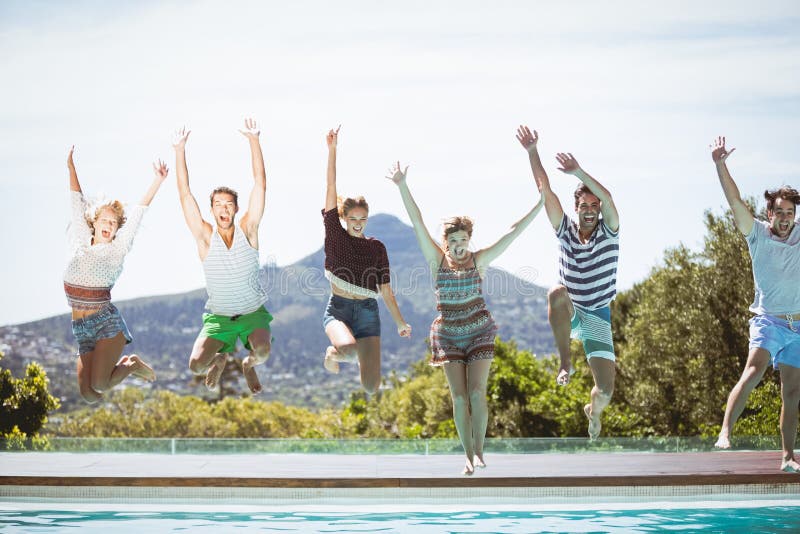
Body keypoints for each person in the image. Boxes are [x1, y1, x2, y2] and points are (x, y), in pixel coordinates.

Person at [387, 150, 544, 475]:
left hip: (478, 330)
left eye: (463, 240)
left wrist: (540, 205)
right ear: (446, 243)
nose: (458, 246)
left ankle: (481, 451)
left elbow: (512, 233)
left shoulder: (480, 260)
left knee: (476, 393)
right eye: (453, 241)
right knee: (459, 399)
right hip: (448, 334)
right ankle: (468, 456)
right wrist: (402, 186)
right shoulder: (437, 261)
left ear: (470, 240)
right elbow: (417, 222)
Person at [516, 125, 620, 441]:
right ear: (576, 210)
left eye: (593, 206)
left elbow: (609, 196)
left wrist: (579, 173)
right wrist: (533, 151)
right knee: (557, 292)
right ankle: (566, 363)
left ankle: (593, 411)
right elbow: (545, 191)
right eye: (583, 206)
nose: (589, 211)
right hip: (572, 309)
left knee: (605, 390)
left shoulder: (609, 231)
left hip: (597, 317)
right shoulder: (566, 232)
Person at [710, 136, 800, 471]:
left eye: (790, 212)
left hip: (798, 326)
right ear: (770, 212)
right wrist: (721, 164)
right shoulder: (757, 233)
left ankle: (788, 456)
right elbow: (734, 200)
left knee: (792, 394)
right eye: (780, 212)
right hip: (768, 322)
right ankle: (725, 432)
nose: (785, 218)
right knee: (754, 370)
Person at [173, 118, 273, 395]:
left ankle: (248, 364)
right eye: (218, 205)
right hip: (218, 318)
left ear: (237, 209)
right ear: (212, 210)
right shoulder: (205, 237)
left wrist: (254, 140)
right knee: (195, 365)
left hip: (252, 314)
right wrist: (179, 150)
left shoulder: (249, 230)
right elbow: (184, 195)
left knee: (263, 351)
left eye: (229, 205)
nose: (224, 209)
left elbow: (260, 184)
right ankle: (220, 357)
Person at [64, 145, 164, 403]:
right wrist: (71, 167)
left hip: (105, 324)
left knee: (100, 384)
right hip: (81, 329)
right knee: (89, 395)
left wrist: (157, 180)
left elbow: (139, 213)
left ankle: (131, 365)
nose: (108, 225)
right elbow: (76, 201)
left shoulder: (118, 249)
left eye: (113, 222)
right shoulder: (82, 241)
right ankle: (121, 366)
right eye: (104, 220)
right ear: (94, 222)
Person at [322, 126, 411, 394]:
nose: (358, 224)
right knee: (348, 351)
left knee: (371, 386)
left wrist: (400, 322)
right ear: (344, 218)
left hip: (368, 313)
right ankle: (333, 354)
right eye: (353, 219)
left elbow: (385, 290)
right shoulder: (335, 234)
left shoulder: (377, 248)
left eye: (363, 219)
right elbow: (330, 186)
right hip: (339, 309)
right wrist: (333, 150)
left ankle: (347, 354)